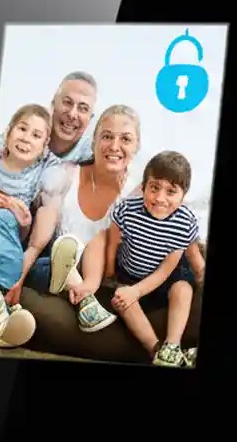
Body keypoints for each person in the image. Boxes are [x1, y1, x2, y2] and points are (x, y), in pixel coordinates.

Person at [9, 105, 141, 335]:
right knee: (45, 263)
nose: (114, 146)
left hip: (101, 278)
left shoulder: (140, 193)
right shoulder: (66, 175)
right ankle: (85, 304)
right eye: (107, 136)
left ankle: (85, 297)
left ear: (136, 146)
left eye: (126, 139)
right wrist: (17, 277)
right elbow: (38, 241)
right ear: (93, 141)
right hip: (50, 267)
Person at [105, 151, 206, 367]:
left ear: (183, 195)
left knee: (183, 287)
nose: (160, 198)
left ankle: (172, 344)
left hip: (166, 277)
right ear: (143, 187)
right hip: (130, 275)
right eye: (154, 188)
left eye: (171, 191)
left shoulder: (184, 221)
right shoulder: (126, 210)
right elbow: (112, 242)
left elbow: (166, 270)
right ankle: (157, 351)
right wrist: (110, 273)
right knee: (122, 301)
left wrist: (137, 291)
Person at [0, 103, 55, 348]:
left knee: (6, 252)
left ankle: (2, 310)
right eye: (22, 128)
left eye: (36, 135)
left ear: (44, 146)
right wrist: (6, 201)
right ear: (8, 132)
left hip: (5, 233)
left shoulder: (41, 172)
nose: (26, 138)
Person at [0, 71, 97, 165]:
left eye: (83, 108)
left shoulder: (92, 158)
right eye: (67, 102)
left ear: (90, 118)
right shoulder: (26, 129)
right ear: (53, 104)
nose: (72, 114)